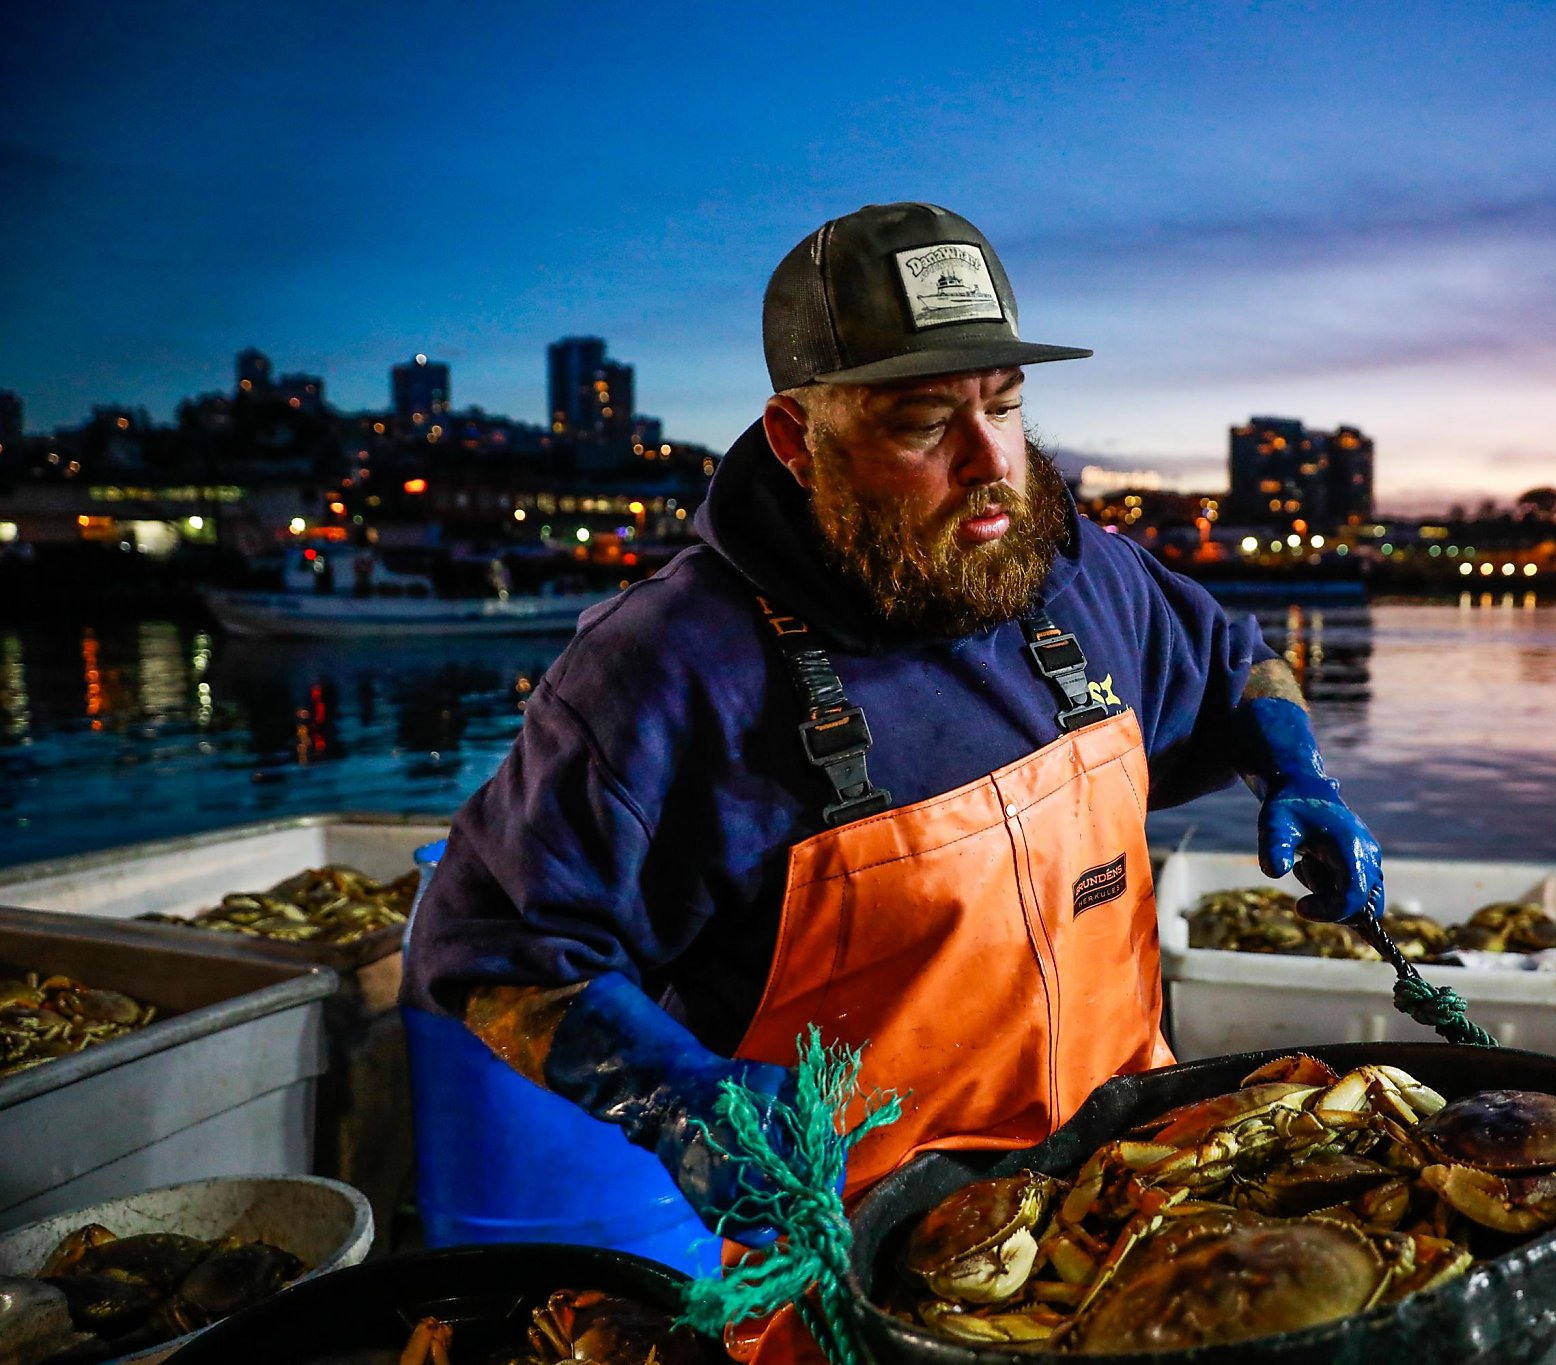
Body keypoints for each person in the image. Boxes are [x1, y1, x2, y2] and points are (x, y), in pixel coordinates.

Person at [401, 202, 1384, 1361]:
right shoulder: (665, 672)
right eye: (926, 424)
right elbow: (491, 950)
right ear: (792, 435)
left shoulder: (1081, 579)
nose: (989, 466)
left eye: (1005, 409)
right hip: (861, 1284)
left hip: (1143, 1204)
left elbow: (1235, 659)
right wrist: (673, 1099)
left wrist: (1292, 767)